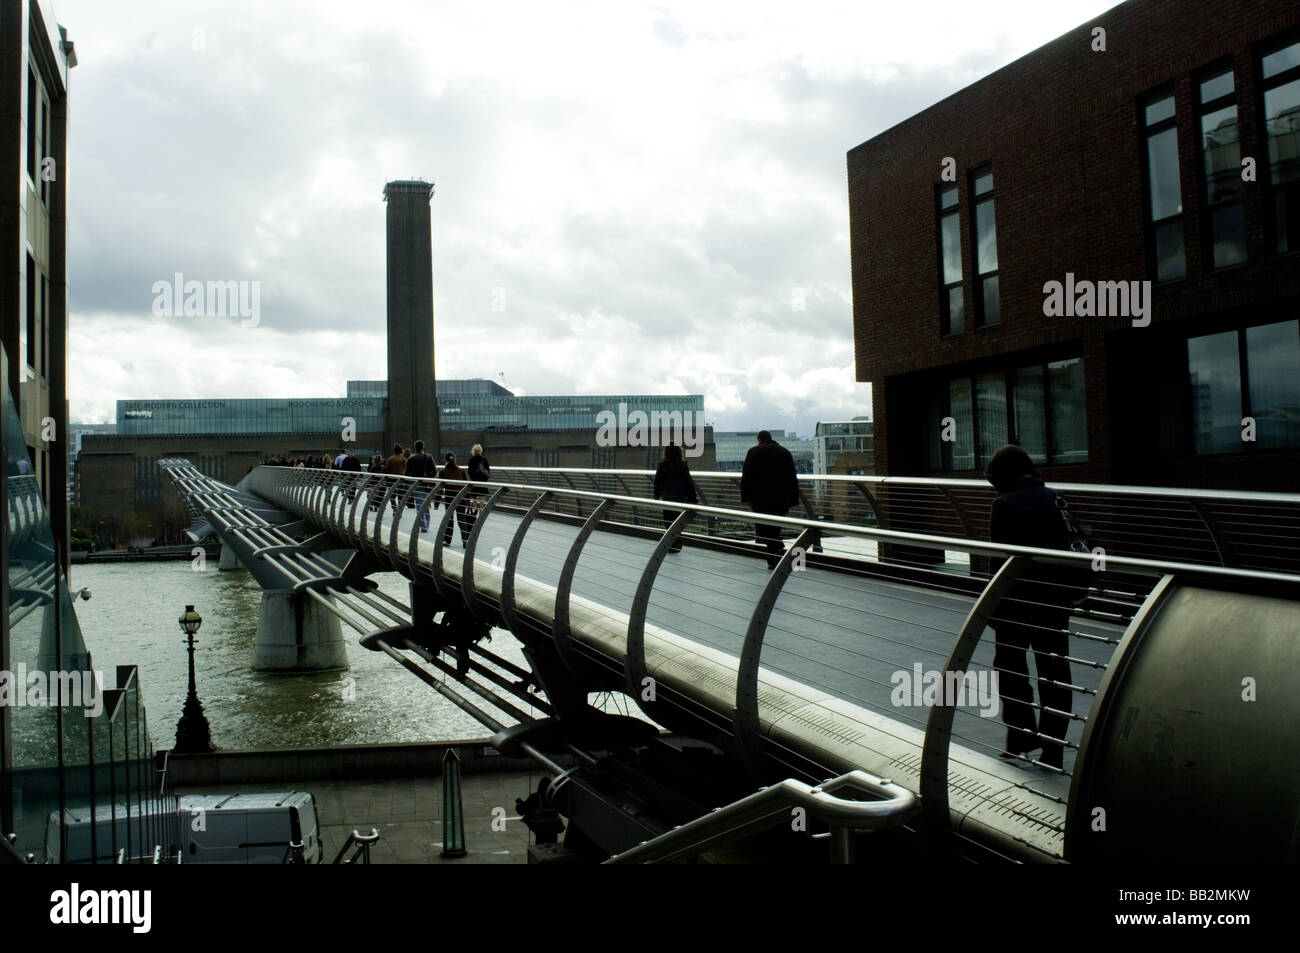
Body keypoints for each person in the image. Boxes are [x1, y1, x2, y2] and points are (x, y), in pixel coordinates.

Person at [985, 444, 1074, 771]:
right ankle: (1054, 751)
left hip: (1016, 605)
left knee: (1010, 671)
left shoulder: (1004, 504)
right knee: (1055, 675)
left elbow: (999, 564)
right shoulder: (1056, 497)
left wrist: (992, 609)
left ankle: (1022, 735)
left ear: (1002, 478)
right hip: (1055, 602)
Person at [740, 430, 799, 569]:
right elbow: (792, 477)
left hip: (760, 499)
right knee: (775, 530)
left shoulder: (754, 452)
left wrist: (747, 498)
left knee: (763, 531)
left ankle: (778, 552)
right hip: (781, 499)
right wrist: (793, 499)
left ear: (759, 439)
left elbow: (747, 476)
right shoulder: (784, 452)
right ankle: (774, 561)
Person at [653, 443, 697, 554]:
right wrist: (693, 498)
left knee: (668, 522)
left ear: (666, 453)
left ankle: (671, 545)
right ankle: (677, 544)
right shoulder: (683, 465)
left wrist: (656, 496)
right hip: (679, 499)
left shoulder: (662, 465)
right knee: (677, 523)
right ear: (679, 452)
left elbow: (657, 482)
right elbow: (689, 483)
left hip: (667, 498)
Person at [436, 453, 473, 547]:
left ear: (446, 460)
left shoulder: (443, 472)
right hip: (461, 498)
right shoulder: (461, 471)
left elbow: (440, 488)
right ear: (455, 459)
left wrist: (436, 502)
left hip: (449, 498)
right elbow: (467, 486)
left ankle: (447, 541)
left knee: (449, 519)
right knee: (462, 519)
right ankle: (465, 540)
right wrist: (468, 500)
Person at [405, 440, 437, 532]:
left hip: (417, 485)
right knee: (426, 506)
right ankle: (427, 525)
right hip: (427, 485)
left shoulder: (411, 458)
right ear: (423, 447)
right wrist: (428, 478)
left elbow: (407, 474)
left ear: (415, 447)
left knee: (419, 505)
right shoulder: (429, 457)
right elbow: (434, 471)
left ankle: (423, 526)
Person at [465, 443, 491, 535]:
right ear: (480, 451)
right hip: (483, 483)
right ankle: (481, 516)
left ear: (473, 451)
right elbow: (488, 471)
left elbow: (469, 472)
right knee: (481, 499)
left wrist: (474, 479)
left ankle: (474, 515)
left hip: (475, 484)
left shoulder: (471, 460)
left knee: (475, 499)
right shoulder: (484, 459)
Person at [384, 444, 407, 515]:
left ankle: (394, 507)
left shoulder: (390, 459)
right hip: (401, 479)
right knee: (401, 496)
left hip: (391, 480)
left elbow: (386, 470)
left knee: (391, 496)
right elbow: (406, 469)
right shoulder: (403, 459)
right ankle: (399, 510)